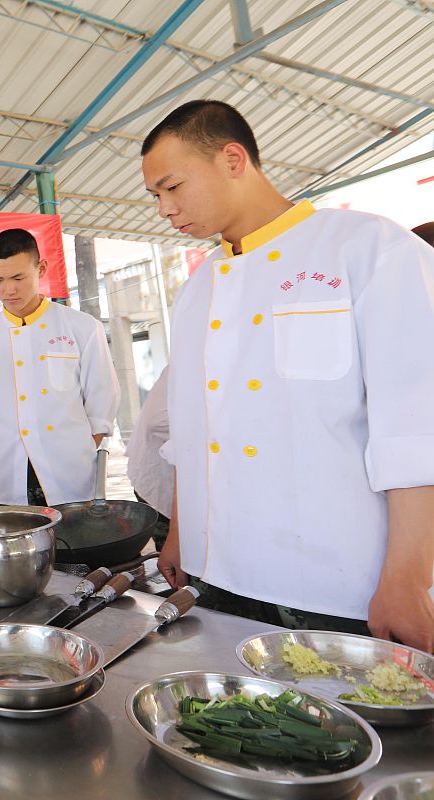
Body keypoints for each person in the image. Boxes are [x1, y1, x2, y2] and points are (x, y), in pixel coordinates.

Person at [142, 99, 434, 652]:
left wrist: (409, 578)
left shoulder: (370, 248)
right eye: (156, 195)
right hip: (219, 573)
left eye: (173, 186)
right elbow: (191, 433)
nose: (164, 208)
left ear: (233, 159)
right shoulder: (196, 290)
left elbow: (416, 433)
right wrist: (181, 534)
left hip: (339, 588)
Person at [0, 229, 119, 508]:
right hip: (7, 478)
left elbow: (102, 404)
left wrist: (73, 451)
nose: (8, 289)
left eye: (19, 278)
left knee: (76, 550)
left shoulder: (82, 329)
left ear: (42, 268)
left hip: (70, 478)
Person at [126, 365, 172, 548]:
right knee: (181, 558)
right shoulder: (190, 360)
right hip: (159, 478)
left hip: (181, 483)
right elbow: (159, 422)